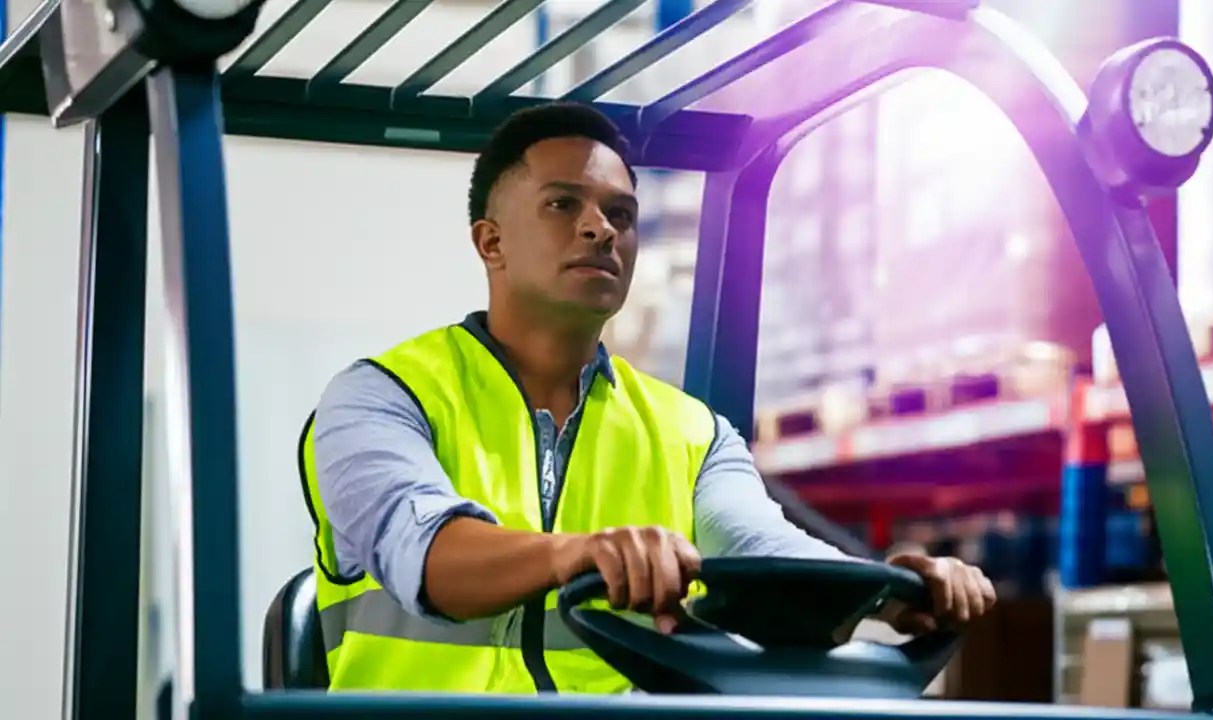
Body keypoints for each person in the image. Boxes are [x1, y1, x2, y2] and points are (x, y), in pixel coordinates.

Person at [300, 101, 996, 694]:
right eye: (563, 204)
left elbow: (761, 547)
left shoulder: (691, 431)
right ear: (492, 243)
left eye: (621, 214)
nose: (601, 228)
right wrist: (579, 554)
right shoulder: (381, 398)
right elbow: (425, 552)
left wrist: (888, 588)